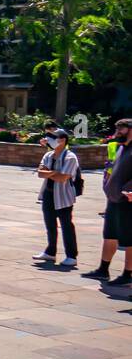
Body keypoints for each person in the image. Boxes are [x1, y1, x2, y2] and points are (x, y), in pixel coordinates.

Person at [84, 118, 132, 285]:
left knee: (129, 240)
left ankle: (128, 274)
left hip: (127, 201)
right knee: (109, 235)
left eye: (122, 129)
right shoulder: (121, 148)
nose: (118, 133)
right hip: (113, 199)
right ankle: (103, 270)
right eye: (117, 129)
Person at [33, 128, 81, 267]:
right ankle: (50, 252)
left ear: (63, 140)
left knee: (66, 225)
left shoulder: (70, 157)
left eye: (55, 138)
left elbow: (63, 178)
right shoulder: (48, 155)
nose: (50, 141)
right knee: (50, 224)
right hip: (48, 193)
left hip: (64, 195)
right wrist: (55, 172)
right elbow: (40, 173)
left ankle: (71, 256)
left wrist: (50, 172)